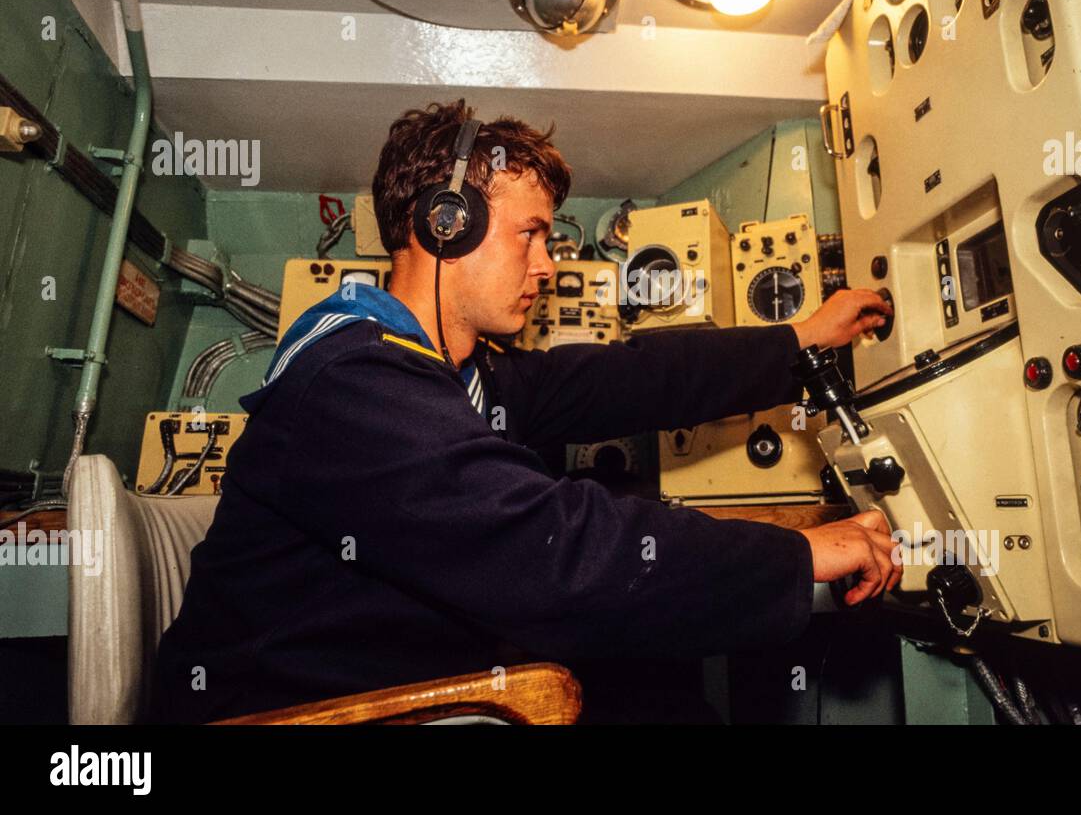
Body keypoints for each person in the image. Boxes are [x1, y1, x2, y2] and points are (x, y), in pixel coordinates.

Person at [148, 100, 900, 724]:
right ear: (444, 222)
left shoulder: (453, 376)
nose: (548, 264)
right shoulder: (355, 382)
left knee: (663, 692)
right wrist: (800, 555)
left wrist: (800, 338)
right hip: (292, 710)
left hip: (375, 668)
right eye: (530, 234)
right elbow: (556, 553)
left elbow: (629, 378)